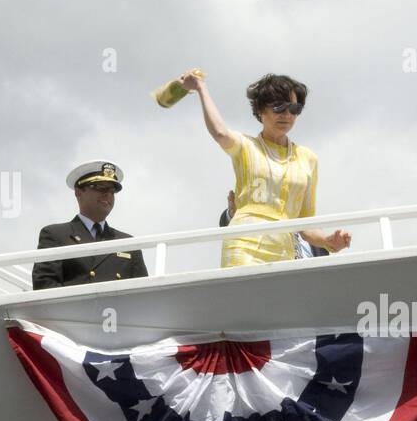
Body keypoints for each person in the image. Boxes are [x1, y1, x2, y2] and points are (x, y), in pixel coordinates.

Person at [181, 69, 350, 267]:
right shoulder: (245, 146)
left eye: (294, 109)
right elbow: (219, 133)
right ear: (261, 110)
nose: (287, 115)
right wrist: (201, 88)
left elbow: (305, 223)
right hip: (243, 244)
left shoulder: (308, 158)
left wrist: (329, 241)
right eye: (279, 107)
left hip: (283, 250)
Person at [31, 161, 149, 289]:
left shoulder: (128, 244)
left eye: (112, 190)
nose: (108, 194)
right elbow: (45, 286)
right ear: (78, 192)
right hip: (74, 308)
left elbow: (143, 294)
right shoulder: (55, 235)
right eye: (101, 187)